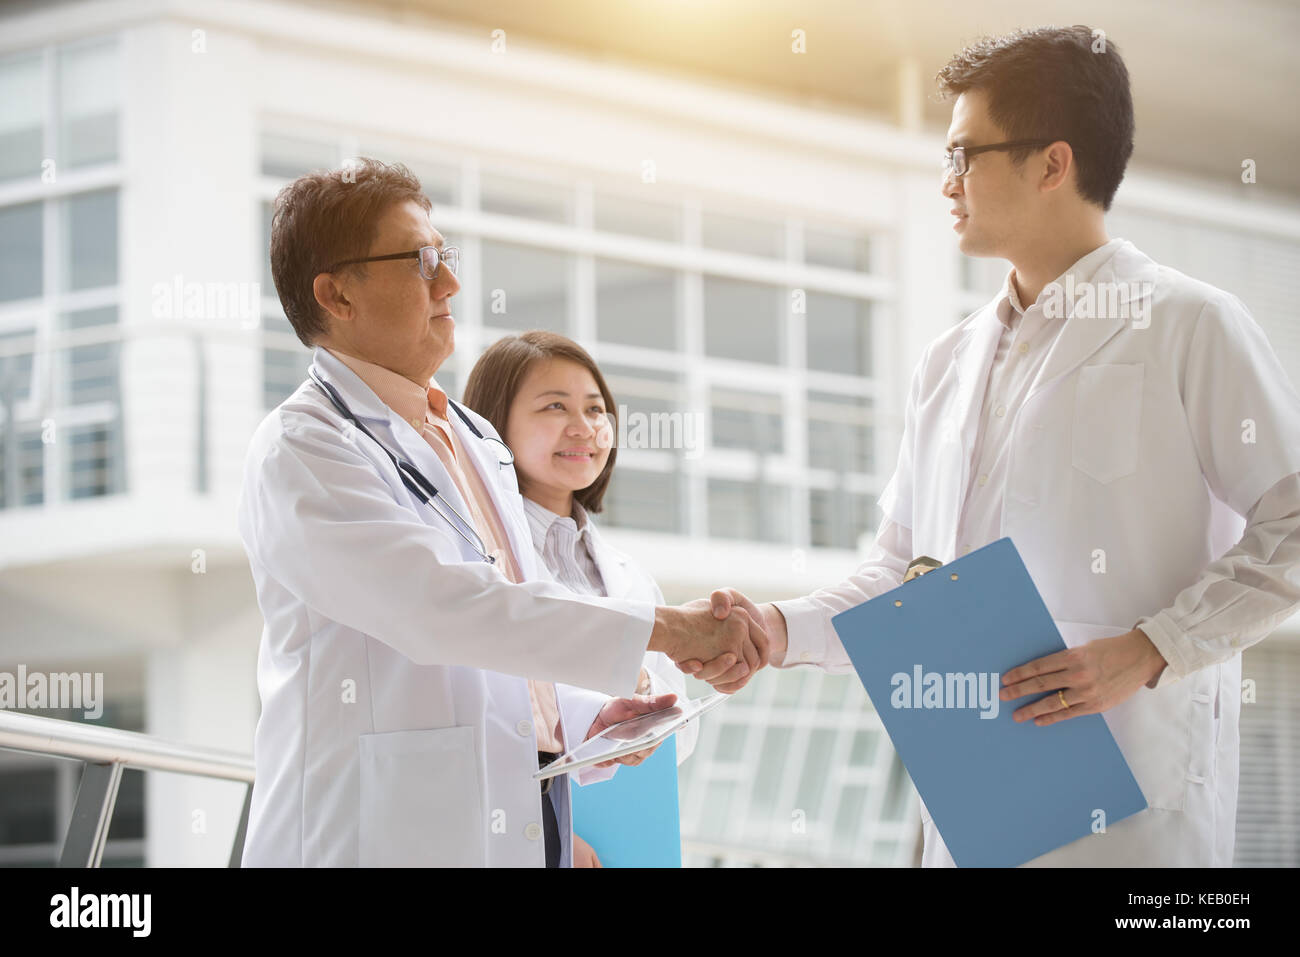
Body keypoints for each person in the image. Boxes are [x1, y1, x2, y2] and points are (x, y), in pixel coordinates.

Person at [701, 25, 1300, 866]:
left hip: (1134, 803)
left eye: (963, 156)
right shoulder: (947, 362)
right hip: (978, 795)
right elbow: (904, 573)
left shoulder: (1189, 325)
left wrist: (1153, 647)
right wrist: (776, 627)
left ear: (1052, 163)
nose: (947, 183)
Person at [237, 158, 768, 867]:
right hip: (368, 838)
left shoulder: (473, 438)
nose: (449, 283)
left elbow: (508, 633)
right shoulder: (302, 449)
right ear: (335, 295)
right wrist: (668, 630)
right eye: (421, 261)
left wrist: (585, 719)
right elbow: (447, 607)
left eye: (445, 257)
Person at [463, 330, 700, 867]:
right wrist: (551, 830)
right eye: (554, 407)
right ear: (494, 425)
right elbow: (481, 717)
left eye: (596, 410)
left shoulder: (631, 577)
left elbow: (679, 732)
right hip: (523, 838)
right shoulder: (475, 562)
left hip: (633, 834)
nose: (584, 427)